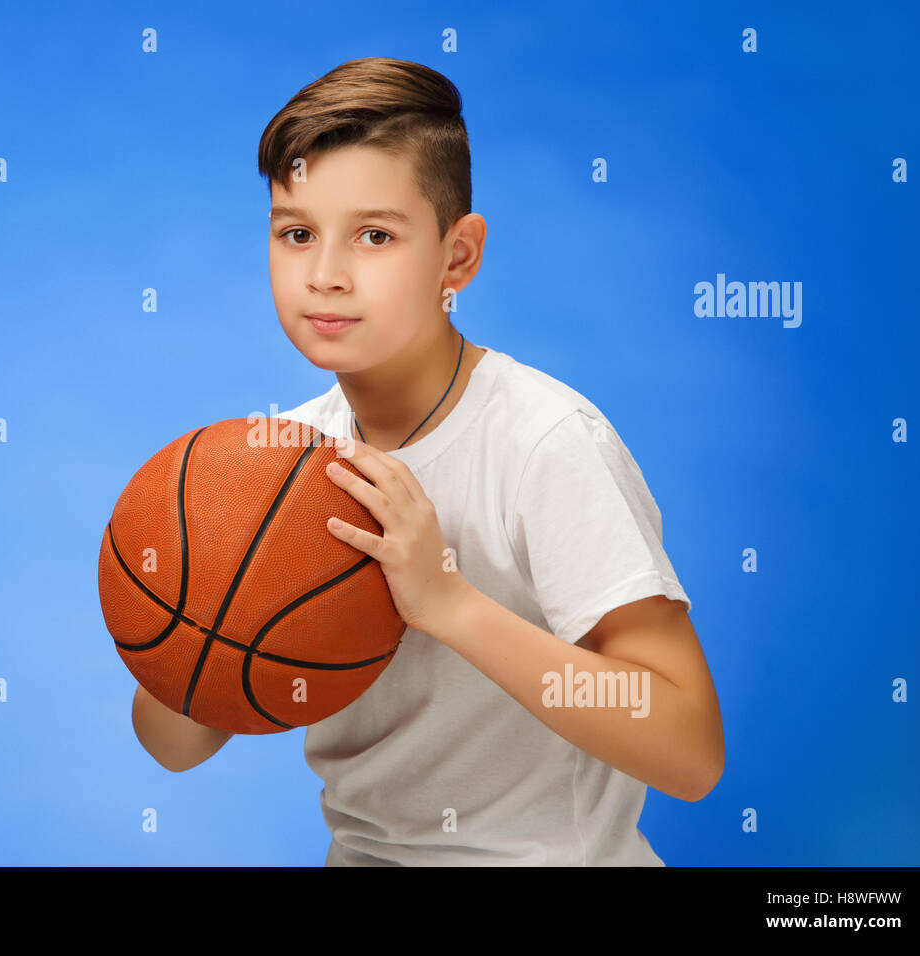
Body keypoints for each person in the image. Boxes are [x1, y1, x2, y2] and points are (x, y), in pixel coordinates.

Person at [132, 56, 724, 866]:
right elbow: (173, 746)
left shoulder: (544, 442)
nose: (325, 275)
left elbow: (689, 750)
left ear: (457, 257)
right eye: (296, 233)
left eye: (375, 236)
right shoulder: (281, 464)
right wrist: (198, 616)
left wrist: (448, 603)